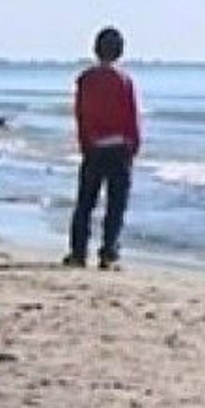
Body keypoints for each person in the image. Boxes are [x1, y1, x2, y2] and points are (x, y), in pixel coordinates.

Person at [63, 27, 140, 269]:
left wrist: (84, 142)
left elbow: (81, 114)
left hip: (95, 146)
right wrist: (134, 144)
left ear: (96, 49)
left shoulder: (86, 79)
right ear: (120, 52)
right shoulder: (124, 80)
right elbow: (132, 116)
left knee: (86, 202)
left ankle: (78, 252)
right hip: (119, 147)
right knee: (115, 205)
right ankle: (108, 252)